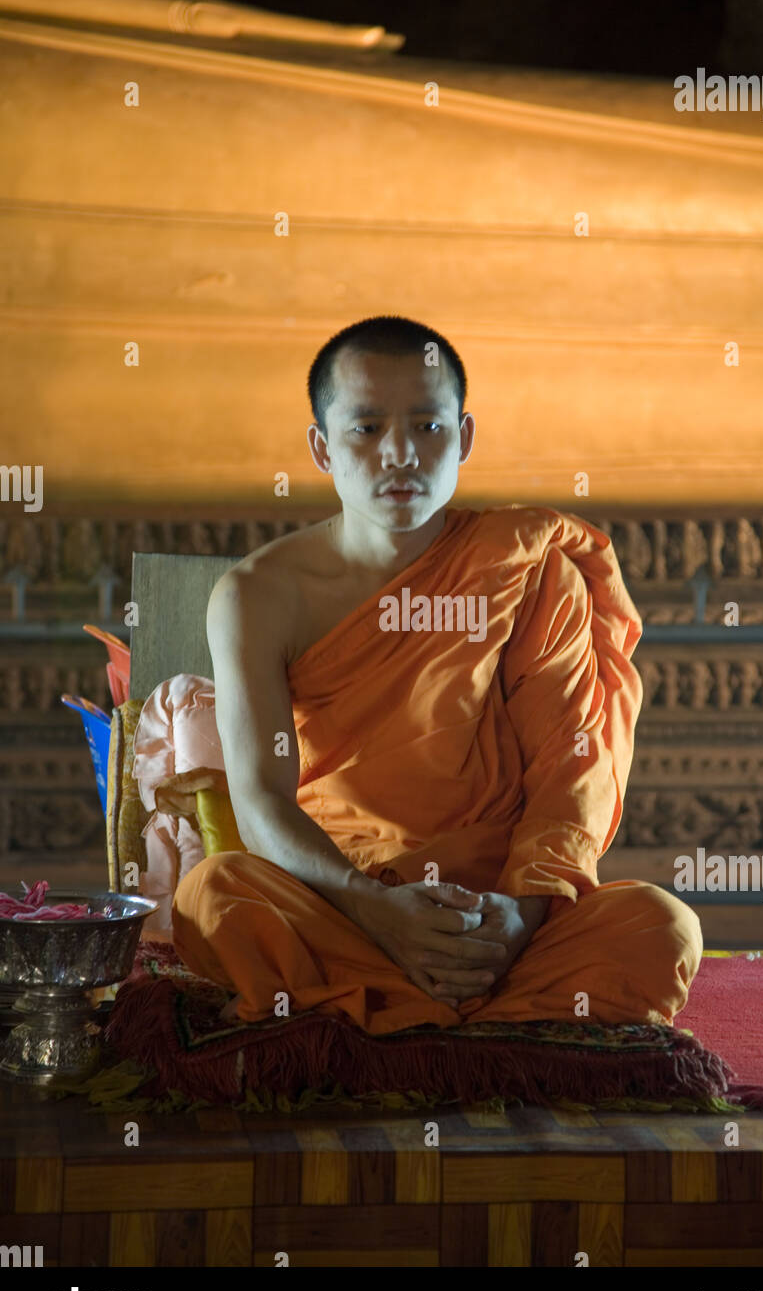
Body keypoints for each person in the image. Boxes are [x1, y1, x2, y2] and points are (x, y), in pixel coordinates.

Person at [171, 314, 702, 1032]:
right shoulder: (259, 595)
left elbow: (570, 777)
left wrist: (519, 916)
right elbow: (263, 801)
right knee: (216, 896)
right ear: (322, 447)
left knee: (659, 926)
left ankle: (380, 1026)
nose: (401, 454)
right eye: (366, 428)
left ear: (466, 438)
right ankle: (501, 1032)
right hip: (346, 902)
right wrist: (373, 908)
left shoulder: (525, 567)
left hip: (499, 910)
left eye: (428, 426)